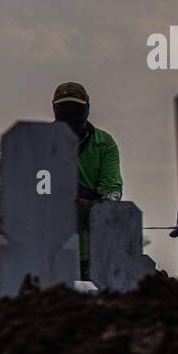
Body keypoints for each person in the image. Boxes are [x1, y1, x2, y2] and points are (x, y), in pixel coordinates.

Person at [52, 82, 122, 280]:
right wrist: (85, 203)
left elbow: (111, 197)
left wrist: (67, 201)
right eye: (64, 108)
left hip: (93, 251)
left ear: (87, 109)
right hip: (50, 248)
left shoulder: (104, 143)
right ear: (55, 109)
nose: (69, 114)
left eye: (75, 108)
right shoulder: (41, 141)